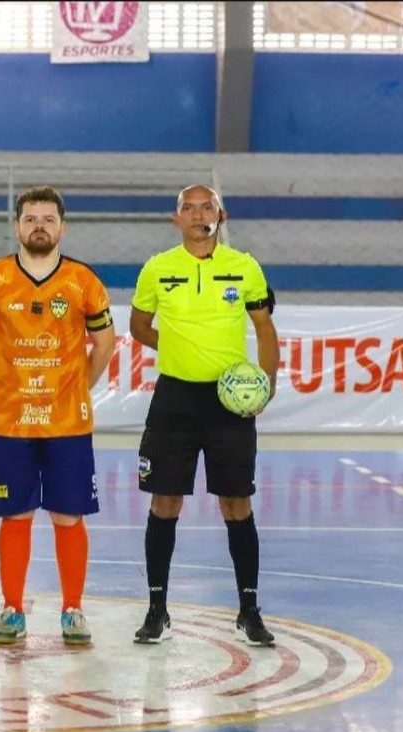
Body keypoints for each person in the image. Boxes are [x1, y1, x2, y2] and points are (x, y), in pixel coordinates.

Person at [129, 184, 280, 646]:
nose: (198, 215)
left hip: (227, 406)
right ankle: (157, 609)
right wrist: (176, 349)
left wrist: (265, 386)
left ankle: (249, 610)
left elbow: (265, 328)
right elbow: (138, 326)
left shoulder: (244, 267)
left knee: (236, 504)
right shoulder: (157, 269)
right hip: (174, 399)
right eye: (189, 209)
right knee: (164, 502)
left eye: (207, 207)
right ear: (176, 219)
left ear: (221, 215)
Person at [0, 186, 116, 646]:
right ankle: (12, 609)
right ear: (17, 226)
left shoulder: (82, 281)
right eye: (30, 218)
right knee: (16, 514)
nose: (39, 226)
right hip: (9, 422)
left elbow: (105, 344)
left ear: (62, 226)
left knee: (68, 516)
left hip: (67, 423)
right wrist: (12, 384)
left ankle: (72, 610)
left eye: (48, 219)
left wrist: (76, 388)